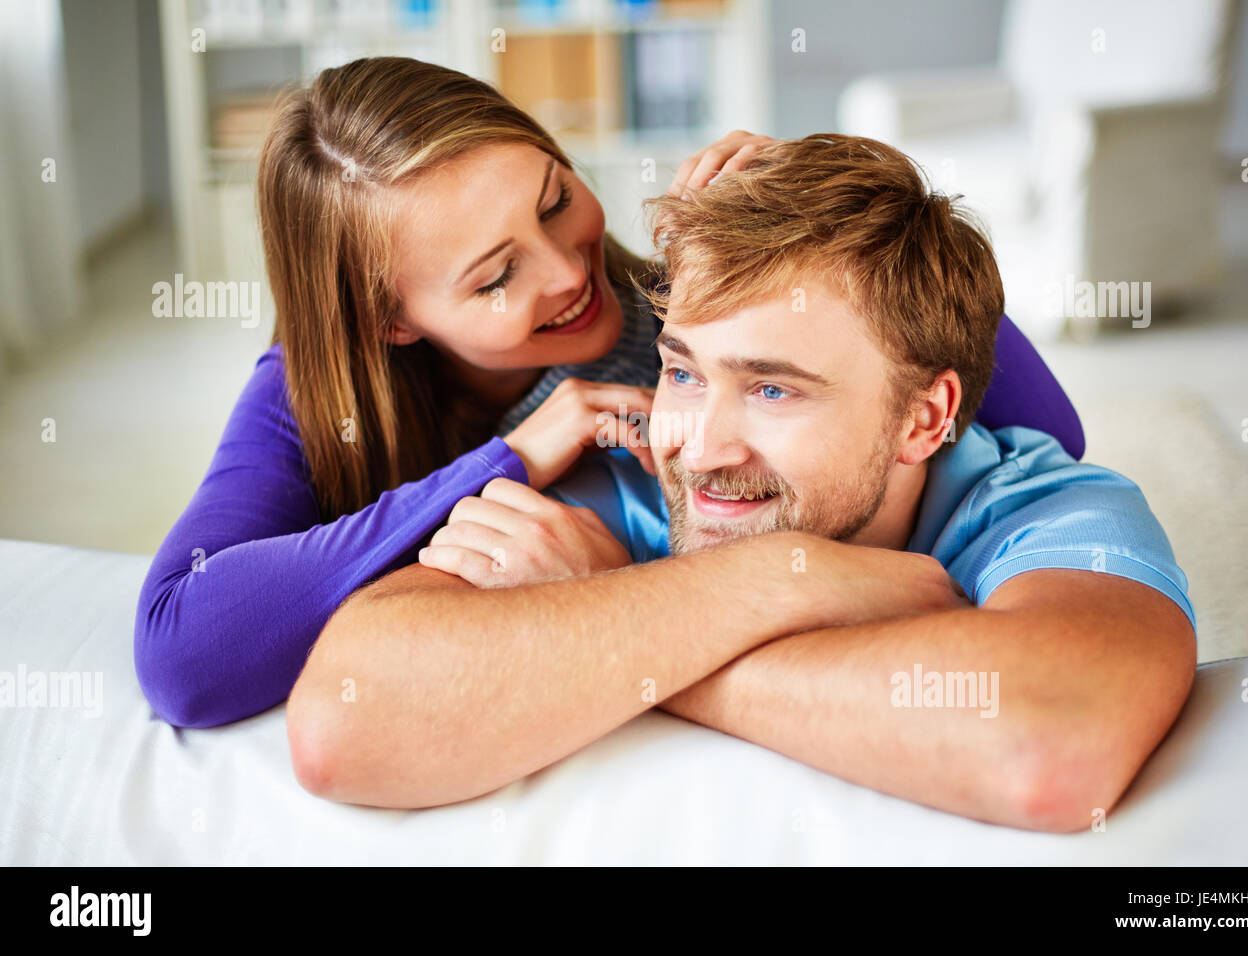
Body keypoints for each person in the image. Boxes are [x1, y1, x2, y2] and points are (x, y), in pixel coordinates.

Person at [135, 59, 1083, 730]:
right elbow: (181, 654)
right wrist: (510, 458)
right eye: (495, 276)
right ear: (392, 320)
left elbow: (1048, 437)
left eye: (554, 200)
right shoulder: (307, 391)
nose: (567, 270)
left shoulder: (676, 306)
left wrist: (870, 231)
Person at [285, 135, 1194, 834]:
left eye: (771, 389)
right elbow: (344, 723)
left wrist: (622, 610)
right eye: (683, 372)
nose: (700, 447)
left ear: (925, 419)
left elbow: (1045, 745)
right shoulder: (629, 488)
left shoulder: (1053, 511)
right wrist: (780, 585)